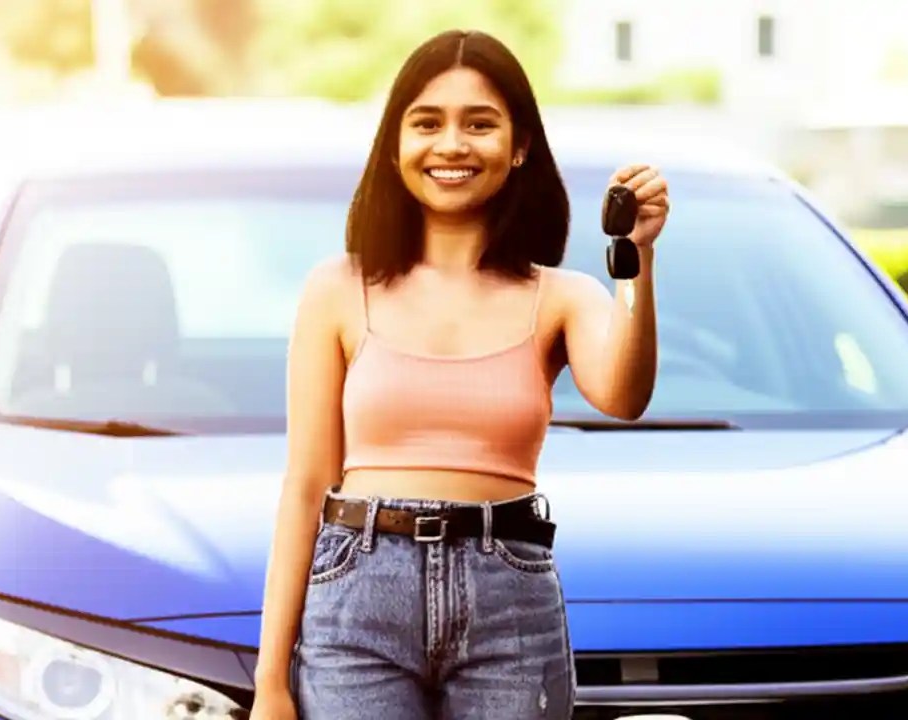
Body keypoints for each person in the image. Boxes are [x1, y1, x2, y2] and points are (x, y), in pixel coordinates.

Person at [251, 28, 668, 720]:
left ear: (520, 145)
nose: (452, 145)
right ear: (394, 145)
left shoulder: (560, 296)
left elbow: (624, 394)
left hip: (509, 596)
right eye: (427, 123)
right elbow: (304, 488)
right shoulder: (336, 289)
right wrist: (271, 681)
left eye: (480, 124)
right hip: (357, 596)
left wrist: (639, 259)